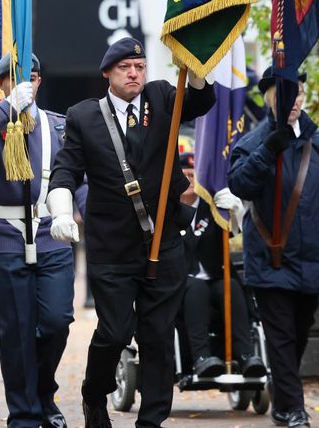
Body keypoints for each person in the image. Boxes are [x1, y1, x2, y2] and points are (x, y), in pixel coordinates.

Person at [47, 37, 216, 428]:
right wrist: (60, 208)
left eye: (139, 66)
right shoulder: (85, 115)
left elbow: (201, 101)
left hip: (165, 241)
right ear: (107, 73)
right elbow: (66, 168)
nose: (135, 73)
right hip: (113, 248)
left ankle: (151, 421)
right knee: (115, 331)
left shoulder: (161, 97)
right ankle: (94, 394)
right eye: (125, 67)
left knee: (157, 336)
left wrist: (197, 65)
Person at [227, 69, 319, 428]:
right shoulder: (252, 141)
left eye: (300, 92)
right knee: (282, 336)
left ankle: (283, 393)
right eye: (289, 92)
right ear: (271, 97)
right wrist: (269, 149)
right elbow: (240, 183)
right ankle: (294, 410)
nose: (296, 99)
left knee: (299, 333)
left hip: (314, 258)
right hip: (270, 259)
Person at [0, 52, 78, 428]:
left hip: (49, 232)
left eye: (27, 79)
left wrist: (75, 213)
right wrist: (8, 105)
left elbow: (79, 176)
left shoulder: (58, 126)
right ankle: (24, 414)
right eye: (10, 80)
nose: (21, 85)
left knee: (57, 321)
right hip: (3, 237)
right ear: (2, 84)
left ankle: (43, 392)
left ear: (39, 81)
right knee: (17, 331)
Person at [176, 152, 265, 379]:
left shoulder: (213, 207)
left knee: (232, 287)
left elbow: (233, 231)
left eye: (193, 175)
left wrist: (235, 213)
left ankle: (245, 356)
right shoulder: (168, 210)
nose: (189, 180)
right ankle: (201, 357)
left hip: (216, 276)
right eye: (184, 175)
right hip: (181, 283)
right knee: (195, 288)